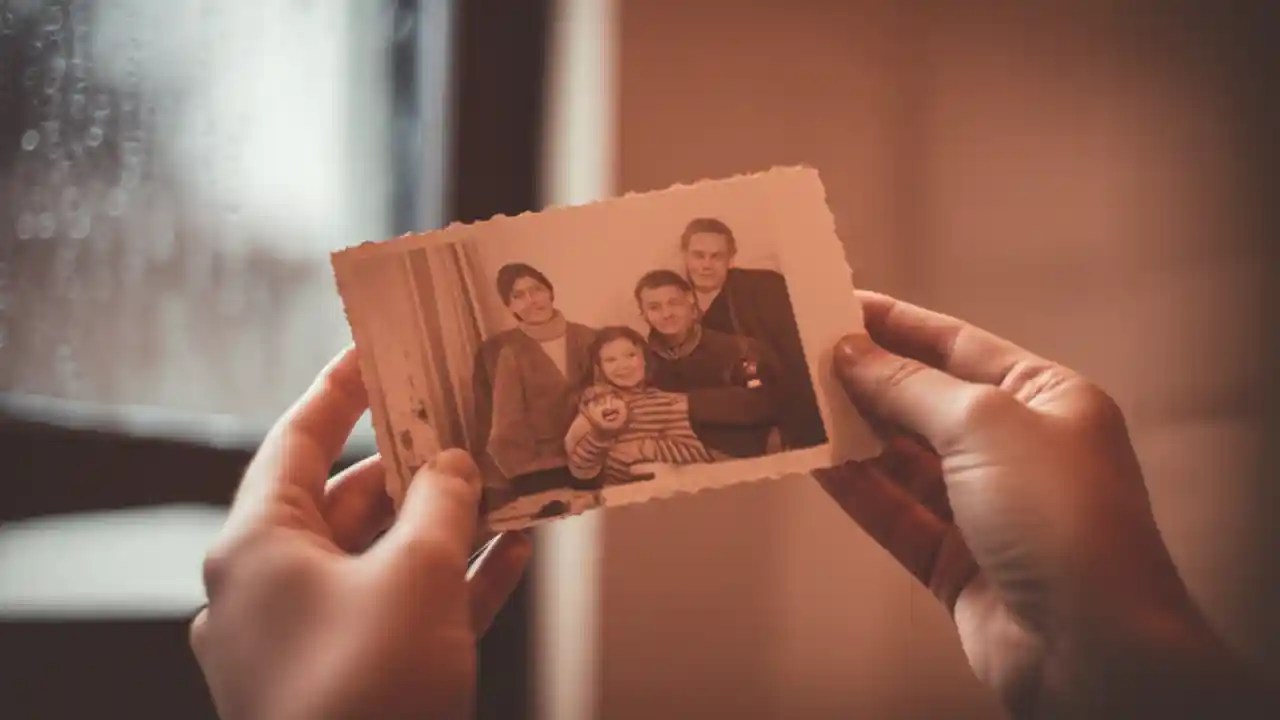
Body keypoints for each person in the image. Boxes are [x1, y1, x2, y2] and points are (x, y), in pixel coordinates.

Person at [192, 290, 1270, 719]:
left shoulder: (676, 392)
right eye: (605, 355)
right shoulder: (580, 413)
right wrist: (1120, 659)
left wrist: (1112, 654)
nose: (616, 366)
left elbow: (708, 427)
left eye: (627, 353)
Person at [681, 217, 828, 450]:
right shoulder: (674, 304)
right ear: (685, 255)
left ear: (731, 259)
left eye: (716, 256)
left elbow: (797, 361)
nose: (706, 265)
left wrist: (790, 430)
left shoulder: (764, 288)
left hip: (785, 414)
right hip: (726, 425)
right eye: (698, 255)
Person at [635, 269, 784, 459]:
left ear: (690, 300)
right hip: (673, 464)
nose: (667, 314)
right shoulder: (640, 364)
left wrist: (690, 404)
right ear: (643, 314)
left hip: (740, 460)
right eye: (654, 307)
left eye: (673, 303)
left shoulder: (739, 348)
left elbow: (764, 401)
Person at [482, 263, 596, 493]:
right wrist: (535, 469)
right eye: (519, 296)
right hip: (544, 467)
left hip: (596, 454)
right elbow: (507, 425)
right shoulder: (511, 354)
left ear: (550, 292)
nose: (532, 300)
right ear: (510, 306)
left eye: (537, 290)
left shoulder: (589, 337)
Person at [564, 325, 714, 485]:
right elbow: (581, 470)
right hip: (618, 497)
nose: (623, 365)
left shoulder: (670, 403)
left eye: (631, 355)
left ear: (645, 360)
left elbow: (699, 454)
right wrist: (601, 434)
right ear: (600, 368)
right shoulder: (594, 408)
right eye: (610, 360)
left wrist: (641, 449)